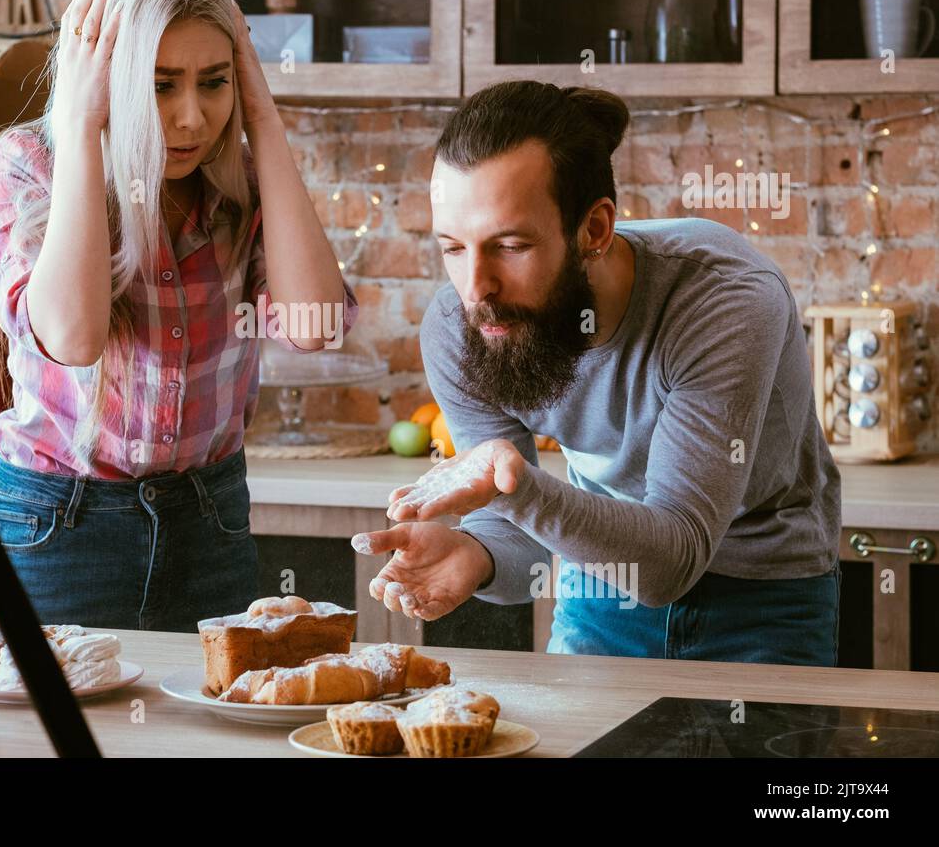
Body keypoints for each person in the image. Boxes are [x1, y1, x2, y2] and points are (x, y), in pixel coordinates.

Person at [355, 80, 841, 666]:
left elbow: (673, 560)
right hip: (600, 578)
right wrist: (476, 553)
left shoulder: (724, 301)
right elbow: (524, 545)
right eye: (453, 248)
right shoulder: (463, 329)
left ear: (594, 231)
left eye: (509, 246)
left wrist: (518, 489)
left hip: (766, 595)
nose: (476, 288)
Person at [0, 0, 358, 631]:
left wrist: (263, 117)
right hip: (55, 527)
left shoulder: (243, 188)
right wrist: (83, 124)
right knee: (40, 709)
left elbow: (314, 326)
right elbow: (73, 338)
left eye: (215, 81)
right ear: (102, 73)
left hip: (209, 524)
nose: (192, 117)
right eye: (160, 84)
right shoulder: (20, 170)